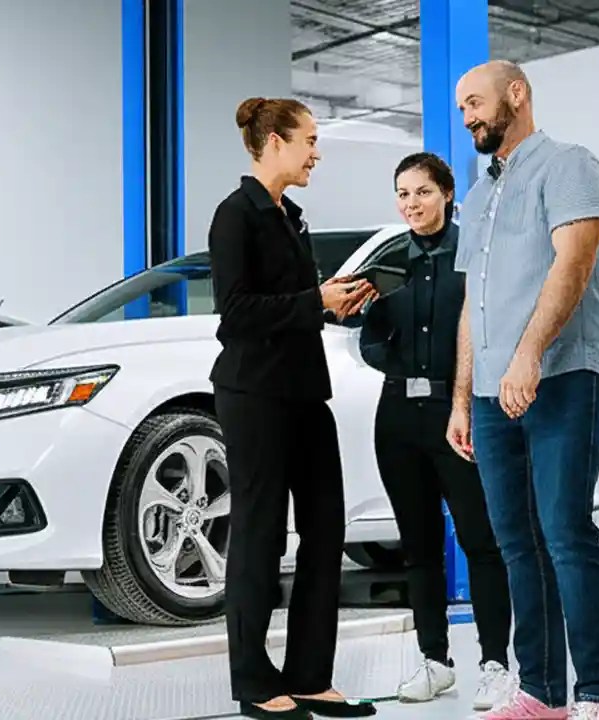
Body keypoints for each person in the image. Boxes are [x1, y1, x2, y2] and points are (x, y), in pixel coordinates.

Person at [450, 60, 599, 720]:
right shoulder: (482, 192)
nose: (468, 116)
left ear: (516, 95)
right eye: (461, 107)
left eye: (476, 102)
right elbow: (475, 297)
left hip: (563, 374)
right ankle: (542, 693)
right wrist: (464, 396)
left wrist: (528, 355)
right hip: (494, 393)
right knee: (515, 542)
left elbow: (573, 263)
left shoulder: (569, 164)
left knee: (565, 533)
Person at [207, 96, 377, 720]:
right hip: (254, 393)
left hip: (306, 392)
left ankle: (309, 675)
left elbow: (296, 303)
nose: (316, 153)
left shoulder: (290, 216)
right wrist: (314, 301)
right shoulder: (236, 215)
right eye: (308, 140)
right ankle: (254, 680)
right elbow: (238, 312)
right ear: (274, 141)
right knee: (259, 533)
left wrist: (336, 302)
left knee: (326, 528)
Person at [354, 152, 515, 712]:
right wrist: (392, 356)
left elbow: (491, 327)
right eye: (402, 194)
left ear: (448, 194)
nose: (411, 204)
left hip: (460, 411)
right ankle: (435, 661)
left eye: (422, 192)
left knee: (479, 540)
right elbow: (370, 336)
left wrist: (461, 392)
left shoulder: (473, 256)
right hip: (398, 417)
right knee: (418, 547)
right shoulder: (390, 263)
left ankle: (496, 664)